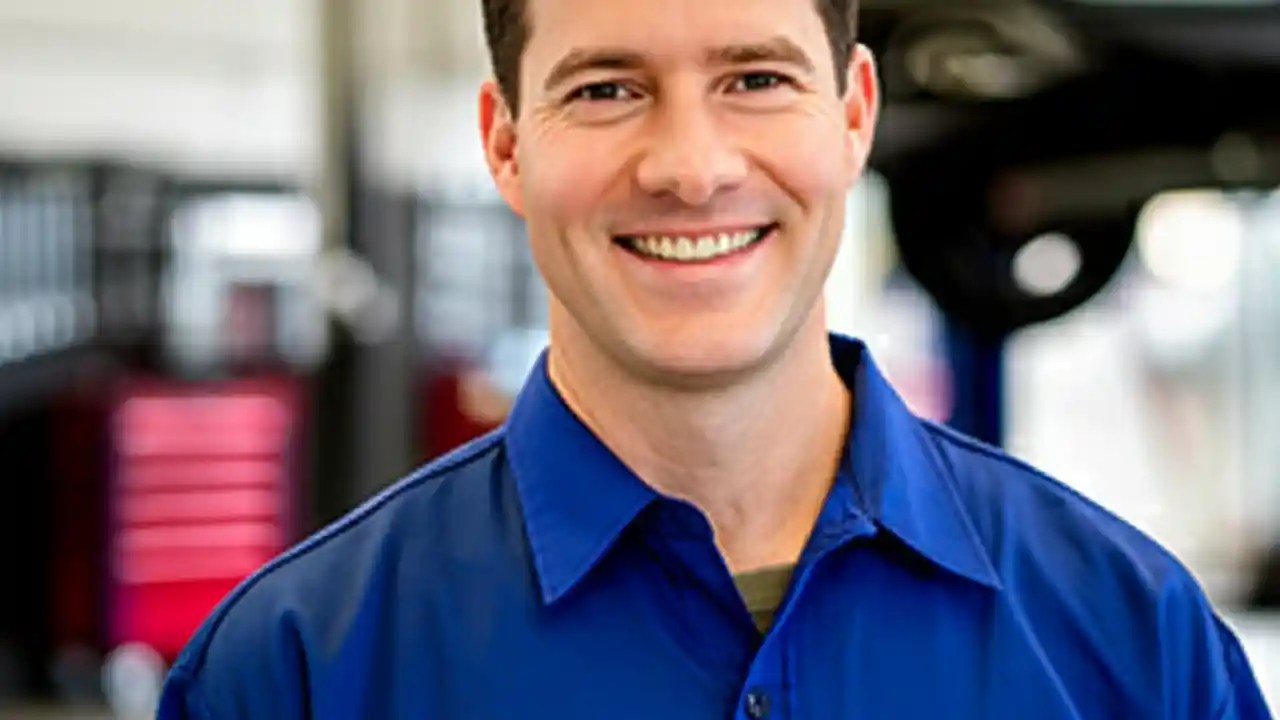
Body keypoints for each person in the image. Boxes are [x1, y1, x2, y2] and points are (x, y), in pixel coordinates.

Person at [157, 0, 1272, 717]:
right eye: (606, 90)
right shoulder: (293, 673)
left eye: (754, 78)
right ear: (504, 142)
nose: (690, 168)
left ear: (853, 115)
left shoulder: (1133, 642)